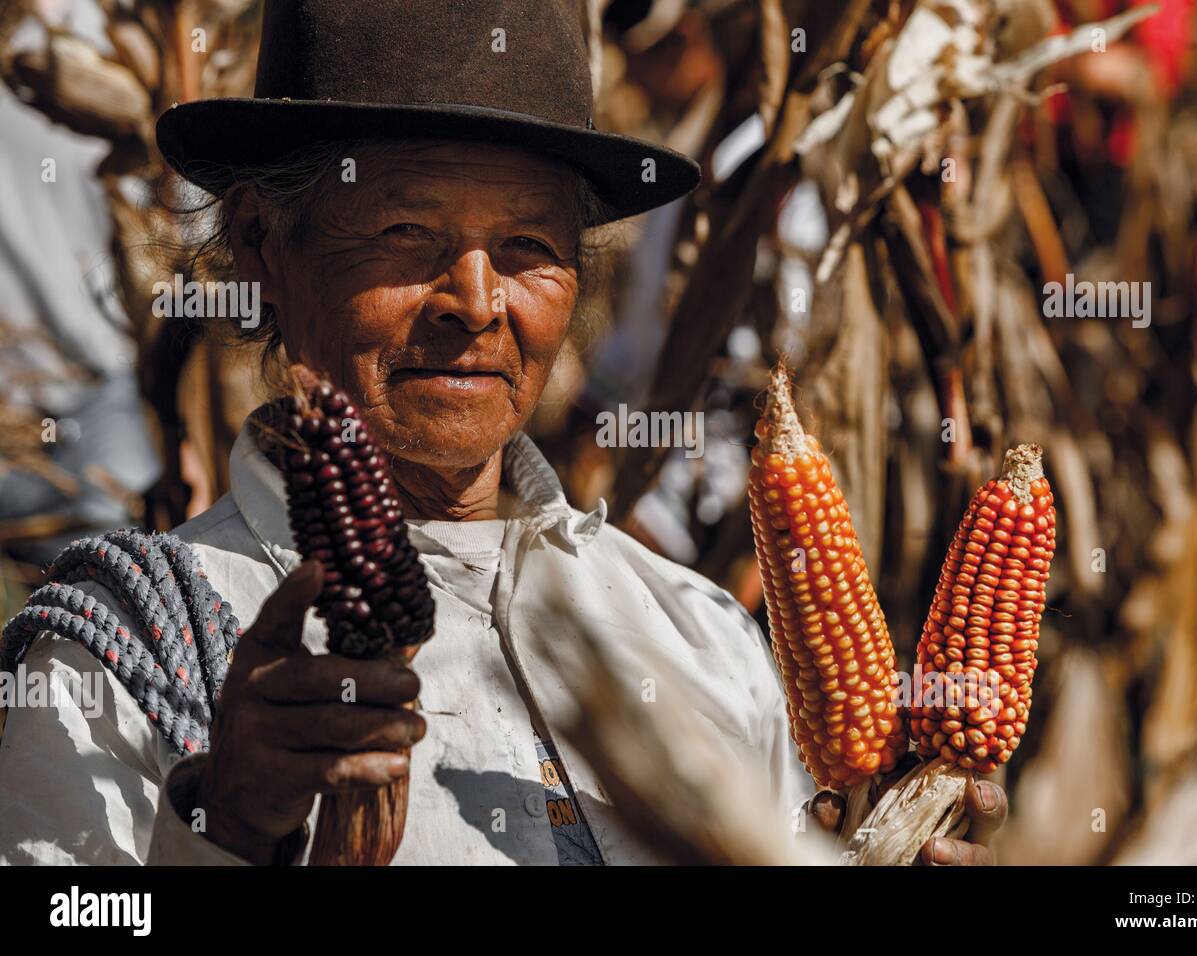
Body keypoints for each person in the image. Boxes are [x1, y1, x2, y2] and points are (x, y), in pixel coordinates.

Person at [0, 0, 1004, 865]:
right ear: (264, 241)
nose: (475, 304)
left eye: (526, 247)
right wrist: (228, 825)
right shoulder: (122, 651)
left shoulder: (701, 639)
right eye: (407, 234)